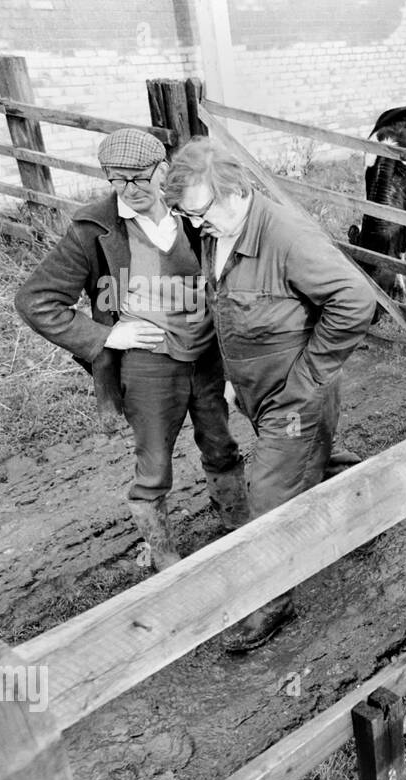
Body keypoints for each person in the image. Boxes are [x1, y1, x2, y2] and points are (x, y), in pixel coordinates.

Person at [163, 137, 378, 653]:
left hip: (294, 399)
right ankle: (371, 506)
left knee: (268, 497)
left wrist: (304, 384)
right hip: (261, 392)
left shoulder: (284, 234)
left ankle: (270, 601)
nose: (196, 225)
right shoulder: (221, 232)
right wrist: (238, 379)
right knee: (316, 461)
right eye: (187, 216)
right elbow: (239, 313)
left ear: (234, 189)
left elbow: (355, 301)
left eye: (201, 212)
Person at [15, 128, 246, 574]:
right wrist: (105, 337)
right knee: (154, 462)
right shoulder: (94, 228)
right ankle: (164, 555)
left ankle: (237, 523)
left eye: (139, 178)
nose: (130, 191)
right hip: (149, 365)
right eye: (116, 180)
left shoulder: (192, 208)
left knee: (220, 444)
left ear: (163, 169)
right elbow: (35, 300)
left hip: (207, 356)